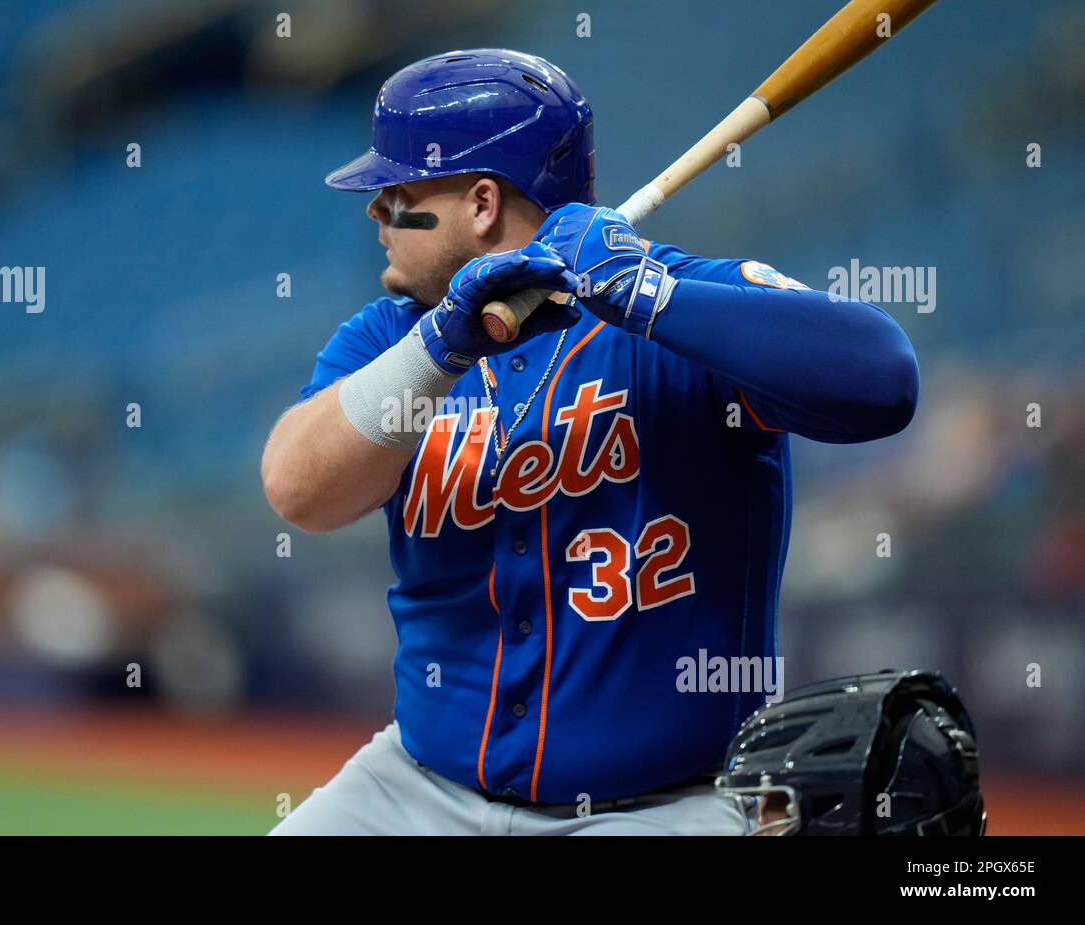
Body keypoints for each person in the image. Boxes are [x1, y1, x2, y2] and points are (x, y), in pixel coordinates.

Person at [261, 49, 919, 835]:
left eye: (399, 194)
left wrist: (652, 297)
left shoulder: (678, 306)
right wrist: (440, 348)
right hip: (416, 787)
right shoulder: (395, 341)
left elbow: (884, 381)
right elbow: (298, 490)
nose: (377, 213)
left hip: (662, 806)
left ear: (481, 203)